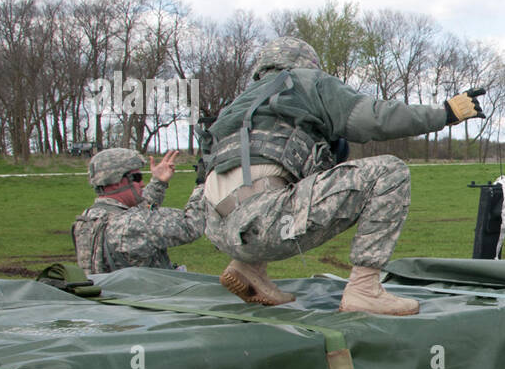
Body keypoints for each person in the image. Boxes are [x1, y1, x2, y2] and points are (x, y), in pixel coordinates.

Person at [201, 36, 485, 316]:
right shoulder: (305, 82)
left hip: (216, 226)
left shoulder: (238, 106)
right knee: (389, 172)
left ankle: (248, 267)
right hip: (268, 221)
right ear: (306, 63)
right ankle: (364, 290)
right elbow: (373, 118)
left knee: (288, 175)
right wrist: (445, 113)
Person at [72, 148, 207, 274]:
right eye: (137, 177)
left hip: (112, 295)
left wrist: (158, 182)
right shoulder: (133, 223)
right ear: (117, 181)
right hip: (151, 296)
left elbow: (136, 210)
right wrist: (203, 183)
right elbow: (191, 225)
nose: (142, 183)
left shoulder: (88, 219)